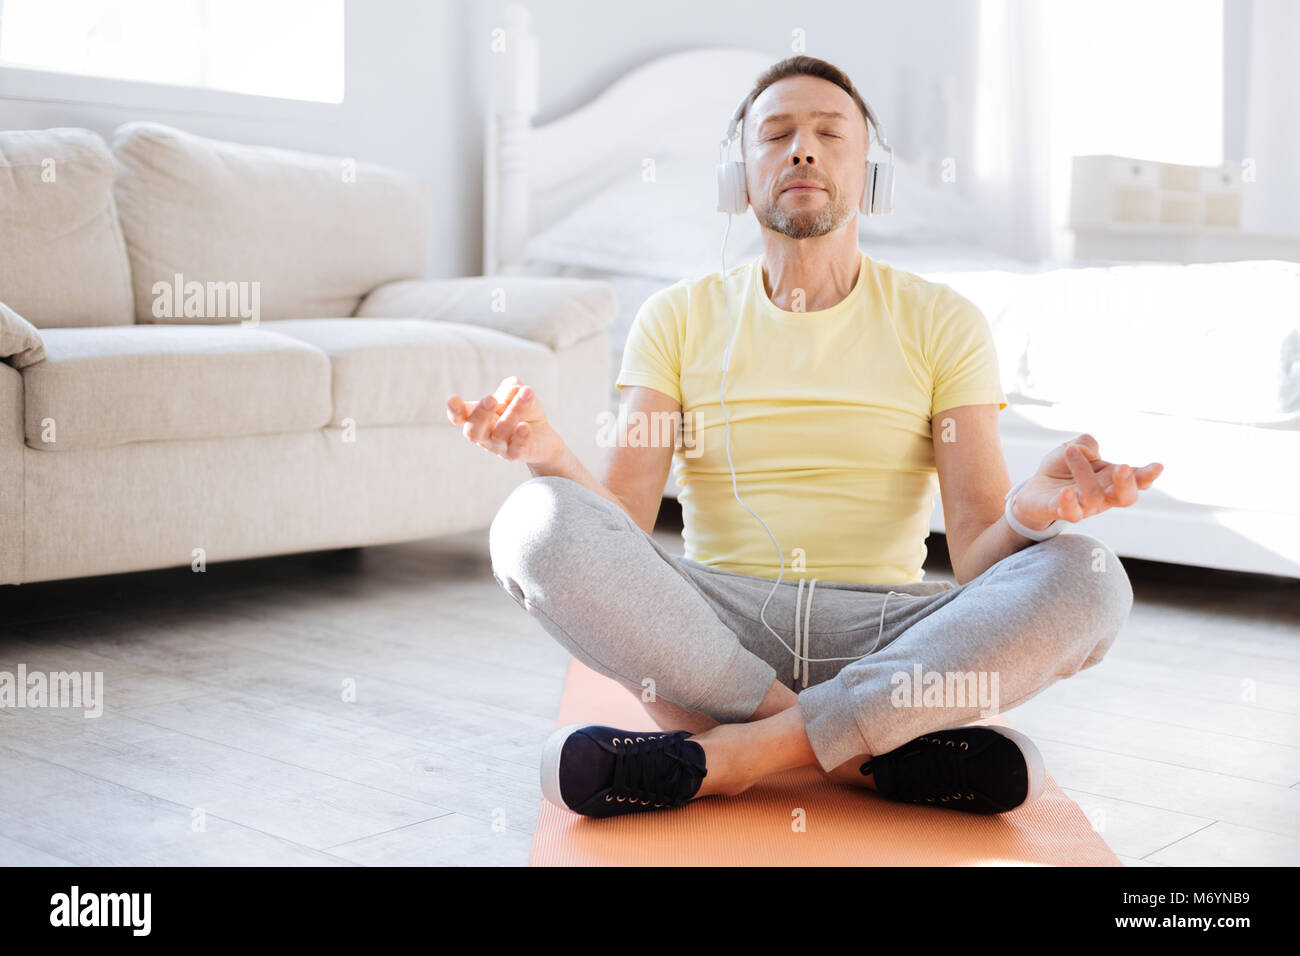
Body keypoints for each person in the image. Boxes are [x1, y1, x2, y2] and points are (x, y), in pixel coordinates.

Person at [447, 56, 1163, 820]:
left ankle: (732, 754)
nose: (802, 149)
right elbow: (615, 530)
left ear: (871, 174)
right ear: (740, 177)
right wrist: (548, 458)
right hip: (712, 633)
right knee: (531, 523)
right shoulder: (674, 317)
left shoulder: (945, 321)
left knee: (1089, 578)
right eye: (776, 134)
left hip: (888, 633)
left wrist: (1030, 512)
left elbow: (981, 551)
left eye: (830, 133)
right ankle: (864, 754)